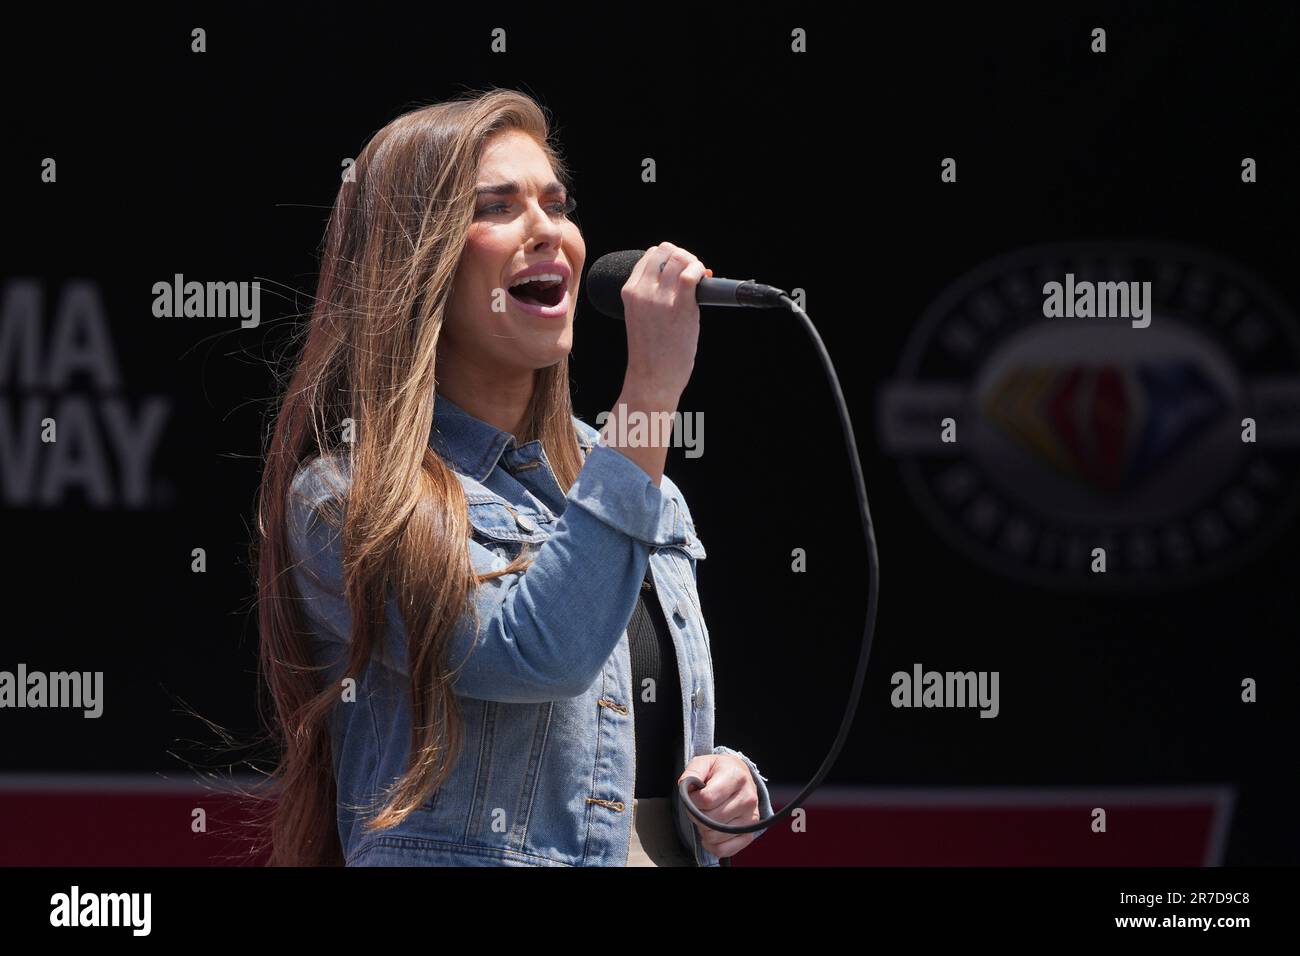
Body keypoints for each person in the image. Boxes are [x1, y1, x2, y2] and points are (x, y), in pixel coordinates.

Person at [254, 88, 773, 866]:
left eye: (557, 204)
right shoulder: (347, 495)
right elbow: (535, 652)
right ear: (416, 258)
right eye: (498, 207)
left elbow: (609, 743)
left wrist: (725, 792)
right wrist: (651, 395)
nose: (549, 230)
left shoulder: (632, 474)